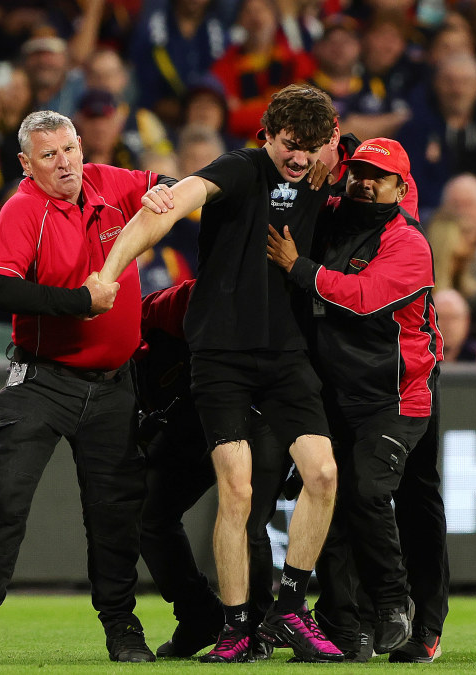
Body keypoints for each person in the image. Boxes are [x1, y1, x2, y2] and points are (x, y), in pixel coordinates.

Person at [97, 83, 344, 664]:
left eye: (311, 146)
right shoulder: (240, 168)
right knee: (236, 491)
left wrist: (336, 148)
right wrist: (110, 272)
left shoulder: (324, 164)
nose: (299, 157)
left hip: (285, 356)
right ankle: (235, 628)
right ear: (267, 134)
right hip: (222, 358)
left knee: (324, 475)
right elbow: (175, 204)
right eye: (290, 144)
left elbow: (362, 159)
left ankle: (287, 611)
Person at [0, 110, 177, 664]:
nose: (64, 162)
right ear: (26, 163)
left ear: (80, 145)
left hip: (116, 384)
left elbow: (167, 189)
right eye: (49, 155)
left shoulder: (110, 182)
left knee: (114, 513)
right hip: (43, 379)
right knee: (6, 499)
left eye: (69, 149)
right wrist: (78, 304)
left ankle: (122, 630)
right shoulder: (23, 210)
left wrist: (167, 195)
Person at [266, 137, 443, 658]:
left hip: (397, 396)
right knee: (330, 504)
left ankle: (396, 604)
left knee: (368, 490)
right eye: (359, 171)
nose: (364, 181)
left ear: (400, 187)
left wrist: (299, 267)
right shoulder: (337, 213)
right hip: (337, 391)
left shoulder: (408, 241)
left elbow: (364, 298)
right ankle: (348, 623)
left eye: (378, 176)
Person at [133, 280, 291, 661]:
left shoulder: (278, 301)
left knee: (250, 521)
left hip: (258, 417)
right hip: (193, 420)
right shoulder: (167, 308)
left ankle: (256, 628)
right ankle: (200, 614)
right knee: (149, 515)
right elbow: (132, 352)